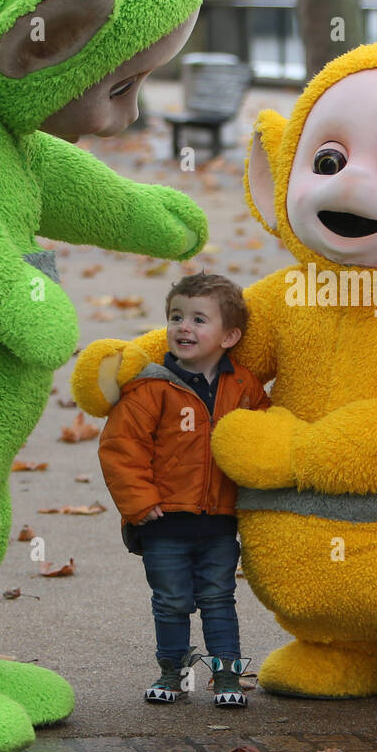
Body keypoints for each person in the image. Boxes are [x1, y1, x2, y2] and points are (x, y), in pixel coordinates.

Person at [97, 272, 270, 707]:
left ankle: (227, 678)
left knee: (218, 598)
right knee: (172, 600)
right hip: (164, 519)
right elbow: (121, 448)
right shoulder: (151, 387)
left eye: (198, 319)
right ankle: (171, 672)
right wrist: (140, 502)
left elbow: (263, 432)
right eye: (176, 317)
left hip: (219, 517)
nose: (183, 328)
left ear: (229, 336)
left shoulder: (243, 386)